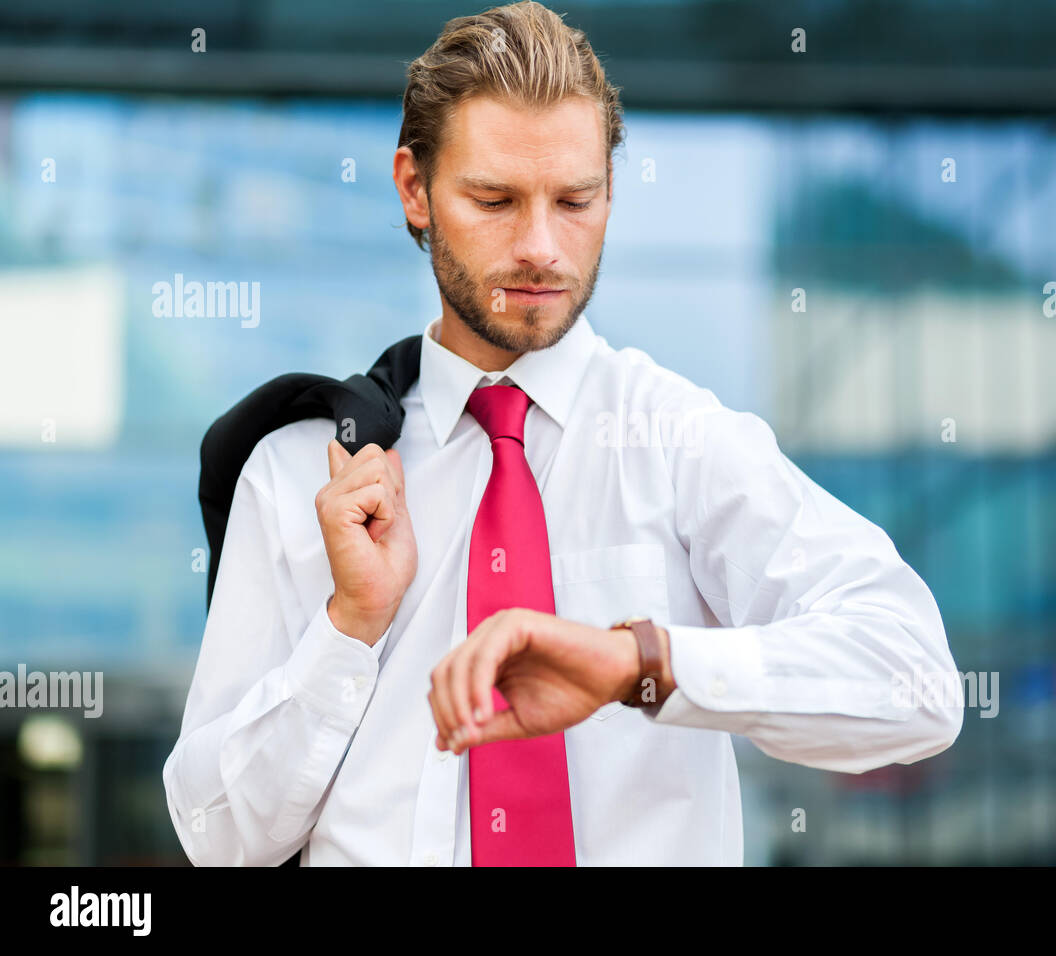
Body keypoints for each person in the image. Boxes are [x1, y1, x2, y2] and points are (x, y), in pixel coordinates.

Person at [162, 0, 963, 866]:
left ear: (610, 195)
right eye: (494, 199)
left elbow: (917, 683)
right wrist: (350, 624)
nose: (542, 246)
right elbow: (219, 839)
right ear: (413, 190)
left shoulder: (678, 442)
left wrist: (638, 663)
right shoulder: (297, 473)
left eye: (574, 200)